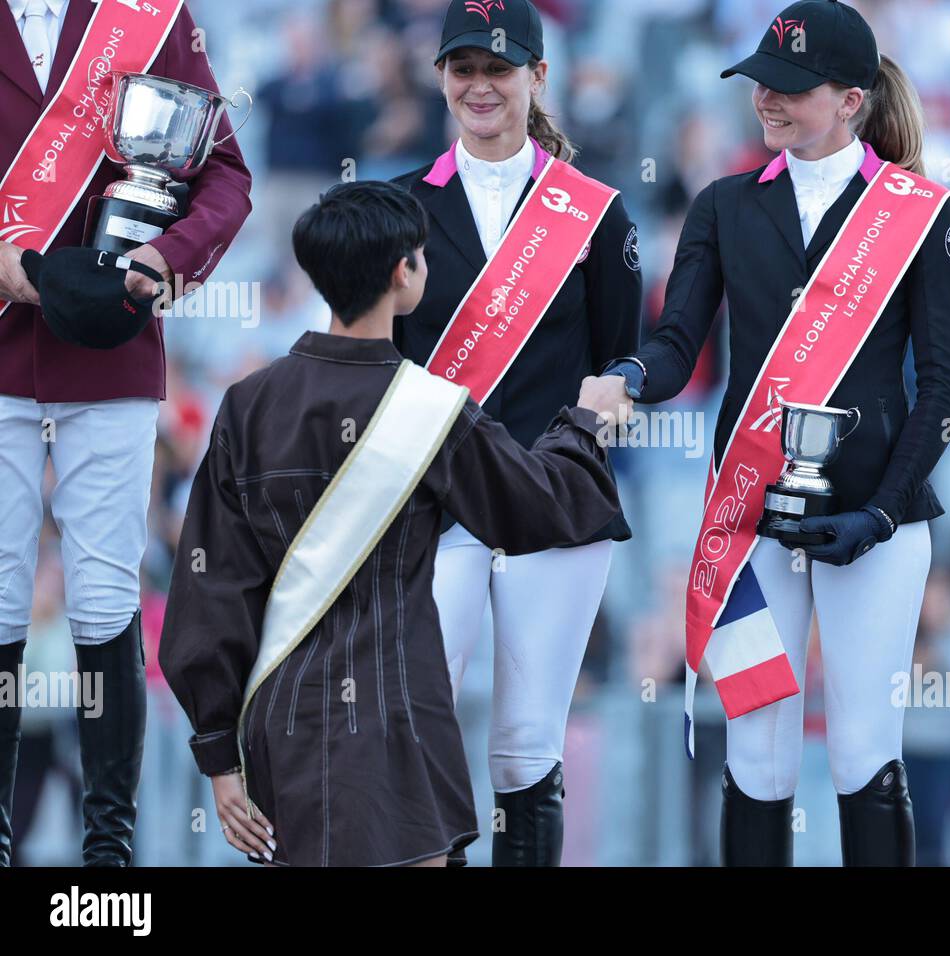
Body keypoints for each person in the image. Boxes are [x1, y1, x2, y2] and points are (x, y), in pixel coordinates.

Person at [591, 0, 950, 866]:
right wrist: (634, 378)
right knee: (756, 754)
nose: (768, 100)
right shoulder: (723, 205)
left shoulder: (920, 212)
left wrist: (882, 512)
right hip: (752, 507)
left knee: (863, 751)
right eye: (762, 82)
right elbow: (680, 341)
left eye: (792, 88)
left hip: (879, 513)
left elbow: (944, 386)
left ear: (851, 100)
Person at [158, 181, 626, 867]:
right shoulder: (430, 408)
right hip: (397, 720)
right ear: (404, 272)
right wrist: (582, 424)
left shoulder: (247, 406)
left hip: (279, 723)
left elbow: (209, 589)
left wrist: (220, 762)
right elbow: (540, 507)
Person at [0, 0, 252, 866]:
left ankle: (108, 860)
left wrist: (166, 258)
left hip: (110, 348)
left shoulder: (146, 14)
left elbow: (225, 175)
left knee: (106, 606)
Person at [389, 0, 641, 866]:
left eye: (498, 68)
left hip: (551, 508)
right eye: (463, 68)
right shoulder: (396, 207)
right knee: (417, 725)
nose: (480, 86)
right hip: (433, 505)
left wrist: (564, 461)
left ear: (538, 75)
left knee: (527, 748)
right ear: (441, 79)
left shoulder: (596, 213)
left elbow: (620, 365)